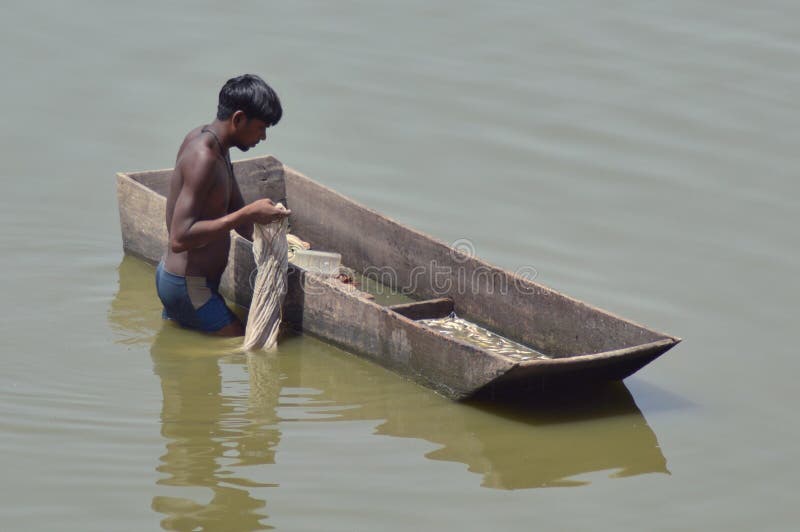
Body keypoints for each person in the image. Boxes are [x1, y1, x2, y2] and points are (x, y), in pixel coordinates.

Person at [156, 74, 290, 336]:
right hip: (189, 287)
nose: (263, 137)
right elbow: (179, 238)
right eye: (261, 128)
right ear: (238, 119)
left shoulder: (218, 147)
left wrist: (274, 238)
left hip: (183, 282)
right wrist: (248, 213)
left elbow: (235, 208)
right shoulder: (203, 158)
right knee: (245, 346)